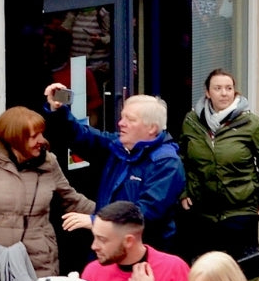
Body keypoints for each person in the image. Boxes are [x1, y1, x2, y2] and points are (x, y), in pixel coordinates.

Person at [0, 107, 94, 277]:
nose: (42, 140)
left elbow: (72, 199)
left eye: (41, 133)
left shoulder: (49, 163)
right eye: (34, 136)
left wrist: (106, 216)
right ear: (16, 139)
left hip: (38, 264)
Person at [44, 85, 185, 248]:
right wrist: (59, 109)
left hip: (143, 253)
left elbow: (147, 212)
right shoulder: (119, 146)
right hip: (108, 246)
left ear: (152, 128)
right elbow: (82, 137)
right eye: (122, 117)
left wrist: (96, 221)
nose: (120, 123)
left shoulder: (166, 163)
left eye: (130, 119)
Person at [178, 69, 259, 260]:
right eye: (217, 88)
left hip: (241, 208)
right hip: (202, 210)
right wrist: (183, 192)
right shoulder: (192, 121)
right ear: (207, 92)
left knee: (239, 268)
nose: (224, 93)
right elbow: (182, 158)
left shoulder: (250, 122)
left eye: (229, 88)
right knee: (207, 267)